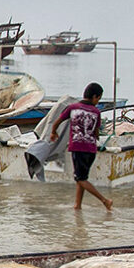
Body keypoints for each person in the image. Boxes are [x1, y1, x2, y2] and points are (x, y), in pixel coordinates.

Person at [49, 82, 113, 211]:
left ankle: (105, 201)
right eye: (98, 99)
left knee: (80, 178)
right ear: (95, 97)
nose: (97, 101)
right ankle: (77, 205)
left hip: (78, 148)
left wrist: (53, 132)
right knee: (82, 177)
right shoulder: (96, 112)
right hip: (91, 150)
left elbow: (57, 121)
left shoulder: (73, 108)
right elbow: (96, 133)